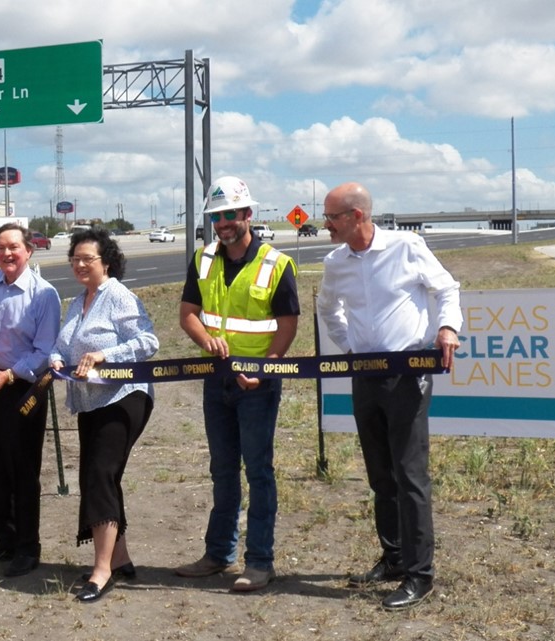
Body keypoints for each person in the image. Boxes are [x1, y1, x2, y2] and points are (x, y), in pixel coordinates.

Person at [316, 182, 461, 611]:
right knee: (380, 473)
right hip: (365, 376)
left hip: (407, 375)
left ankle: (420, 575)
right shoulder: (335, 262)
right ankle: (394, 557)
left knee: (410, 474)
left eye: (332, 217)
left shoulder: (406, 247)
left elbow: (446, 288)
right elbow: (328, 308)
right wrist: (350, 347)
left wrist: (447, 327)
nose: (326, 225)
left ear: (357, 216)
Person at [176, 176, 299, 592]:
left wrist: (266, 369)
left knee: (258, 471)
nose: (223, 223)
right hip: (218, 381)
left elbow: (287, 325)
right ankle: (218, 554)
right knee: (222, 469)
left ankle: (260, 561)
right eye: (216, 217)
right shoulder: (203, 259)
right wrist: (205, 341)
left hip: (257, 386)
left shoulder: (274, 264)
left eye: (230, 214)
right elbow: (188, 313)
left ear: (248, 213)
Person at [49, 228, 157, 603]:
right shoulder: (77, 301)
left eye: (87, 259)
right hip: (89, 402)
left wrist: (104, 355)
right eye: (74, 259)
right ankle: (120, 558)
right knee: (99, 476)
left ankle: (102, 571)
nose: (79, 264)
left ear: (106, 262)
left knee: (100, 475)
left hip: (123, 397)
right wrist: (56, 359)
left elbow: (148, 341)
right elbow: (62, 345)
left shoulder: (118, 296)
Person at [0, 223, 60, 577]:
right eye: (1, 247)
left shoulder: (44, 294)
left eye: (14, 247)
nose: (7, 254)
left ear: (29, 250)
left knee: (23, 470)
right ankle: (3, 539)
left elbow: (44, 352)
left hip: (23, 388)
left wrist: (11, 375)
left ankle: (27, 547)